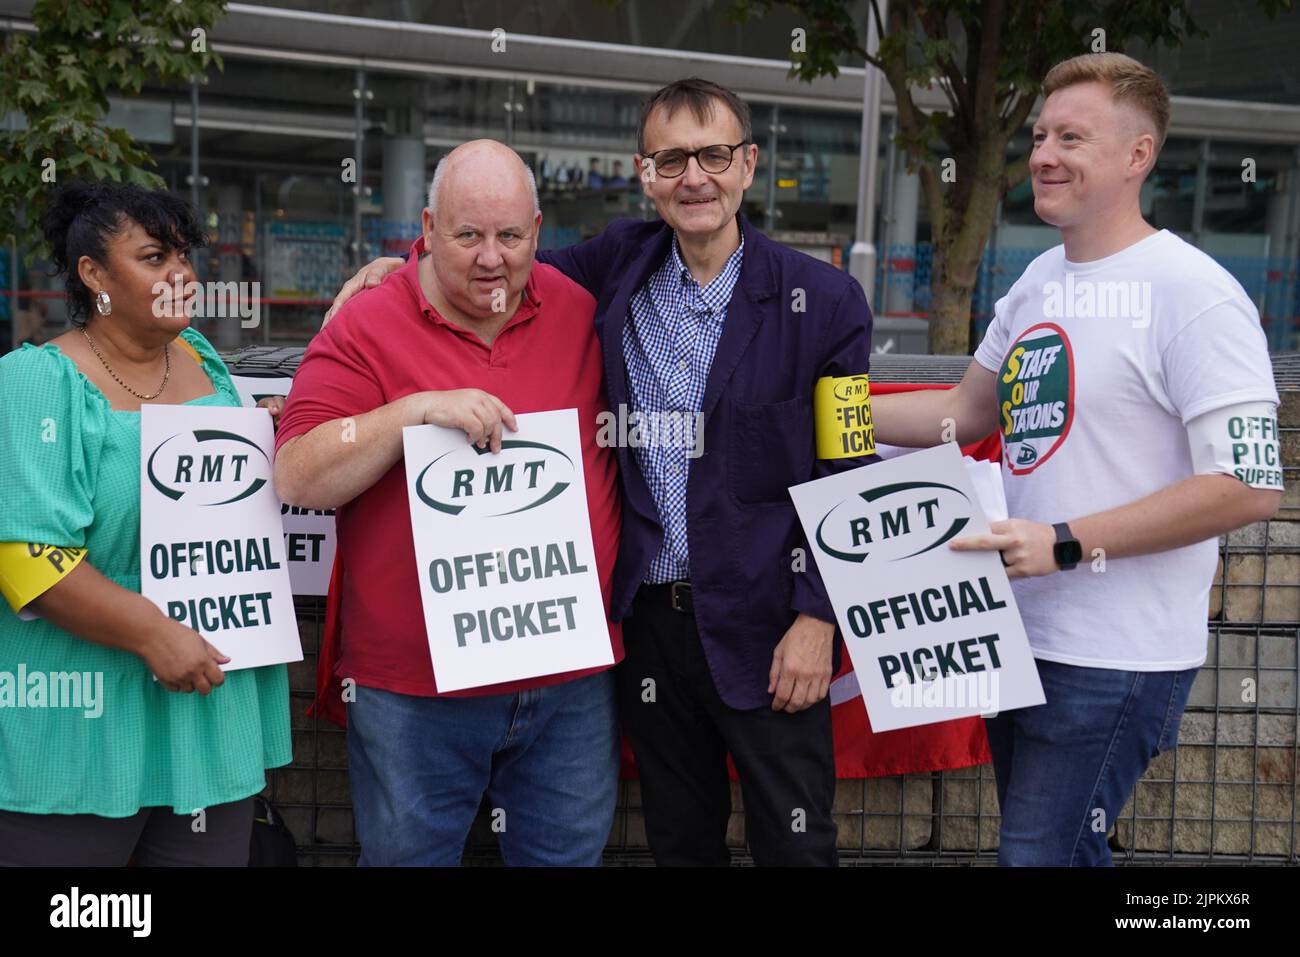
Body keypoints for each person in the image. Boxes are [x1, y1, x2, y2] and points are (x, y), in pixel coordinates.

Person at [325, 78, 877, 866]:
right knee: (679, 843)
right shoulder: (617, 262)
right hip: (649, 631)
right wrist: (398, 266)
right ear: (644, 171)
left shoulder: (826, 301)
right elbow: (494, 256)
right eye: (671, 158)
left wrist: (818, 618)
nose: (695, 177)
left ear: (748, 165)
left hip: (771, 628)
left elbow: (847, 469)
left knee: (795, 845)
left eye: (714, 155)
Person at [870, 53, 1283, 866]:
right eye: (1039, 134)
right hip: (1014, 636)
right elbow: (964, 413)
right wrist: (817, 418)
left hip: (1116, 656)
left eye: (1072, 136)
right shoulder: (1037, 280)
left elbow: (1249, 486)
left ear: (1138, 155)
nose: (1044, 154)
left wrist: (1064, 539)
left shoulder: (1194, 294)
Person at [273, 141, 623, 867]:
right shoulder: (368, 322)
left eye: (510, 236)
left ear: (538, 229)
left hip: (568, 680)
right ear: (427, 228)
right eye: (467, 235)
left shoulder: (584, 310)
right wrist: (413, 411)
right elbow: (299, 474)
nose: (491, 258)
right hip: (413, 690)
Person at [0, 182, 291, 866]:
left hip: (204, 720)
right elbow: (26, 560)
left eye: (186, 256)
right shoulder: (36, 381)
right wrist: (153, 632)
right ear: (94, 275)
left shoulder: (203, 361)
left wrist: (264, 433)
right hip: (78, 727)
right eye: (154, 256)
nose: (181, 275)